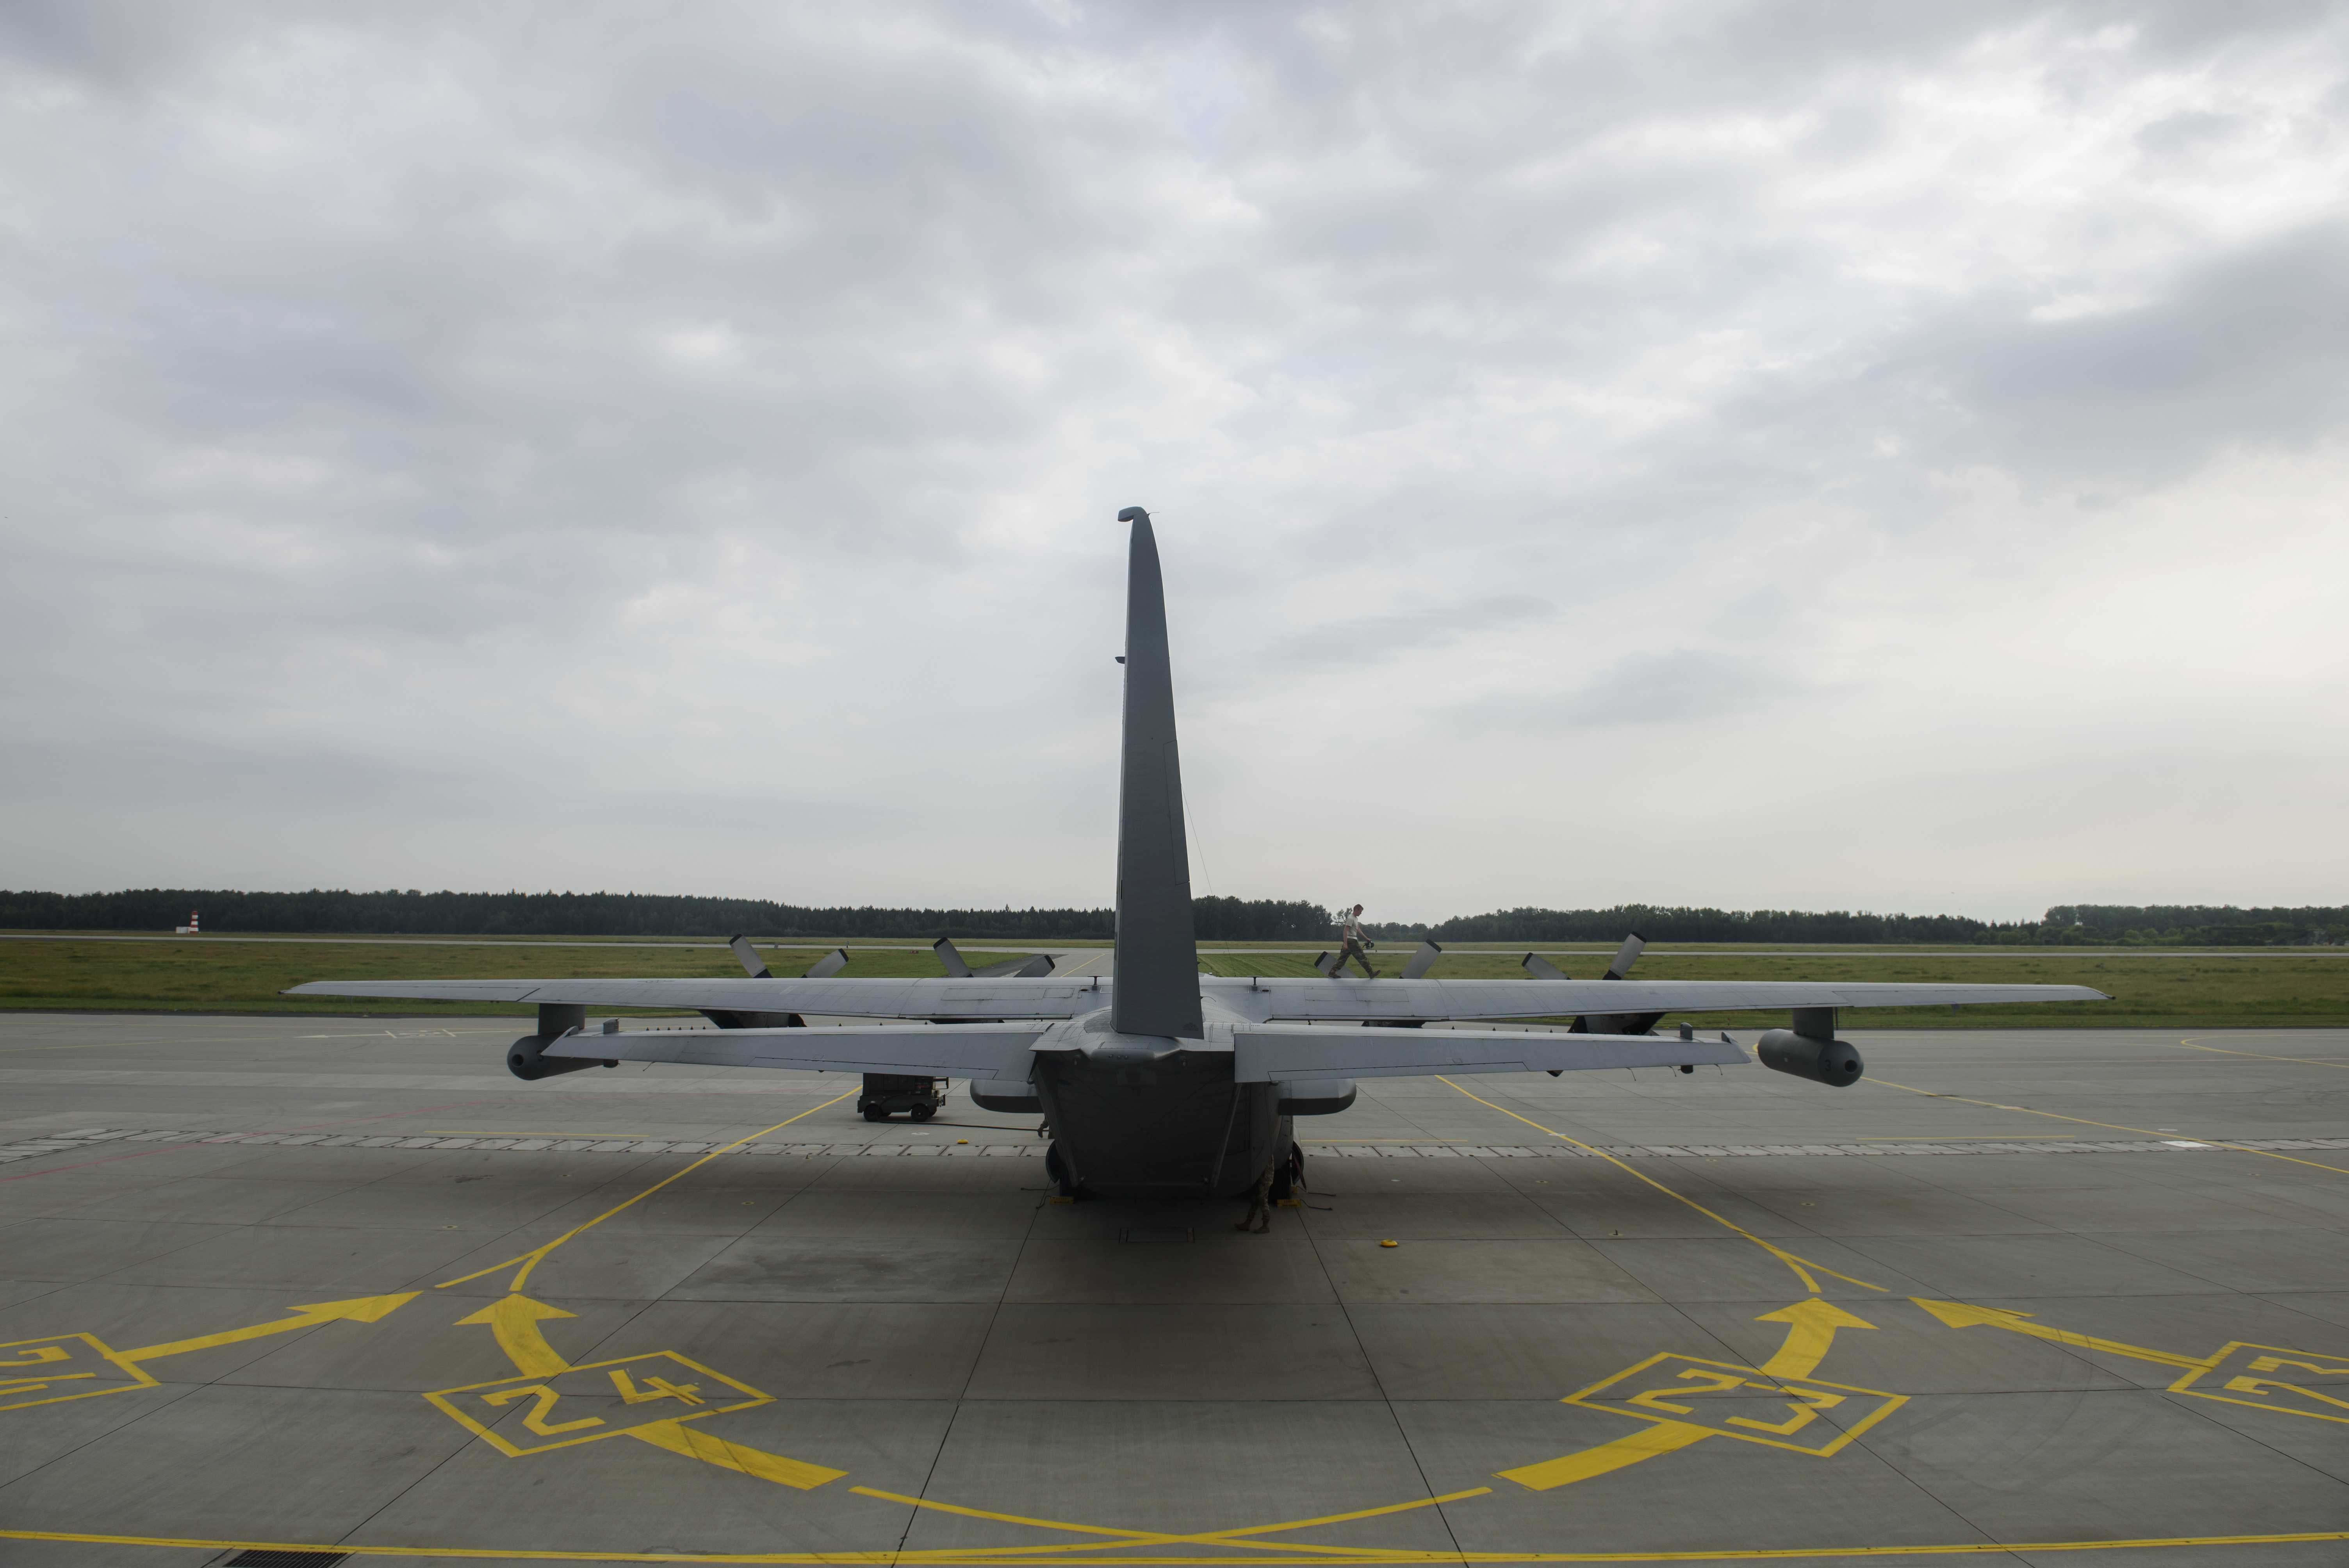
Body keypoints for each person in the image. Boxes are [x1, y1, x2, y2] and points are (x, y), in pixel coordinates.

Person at [1333, 903, 1377, 978]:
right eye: (1360, 912)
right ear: (1356, 910)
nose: (1361, 913)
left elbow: (1358, 930)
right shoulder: (1351, 918)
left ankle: (1332, 972)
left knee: (1343, 959)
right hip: (1351, 941)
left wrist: (1366, 938)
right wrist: (1346, 944)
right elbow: (1345, 931)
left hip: (1351, 941)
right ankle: (1371, 973)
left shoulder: (1355, 919)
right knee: (1362, 957)